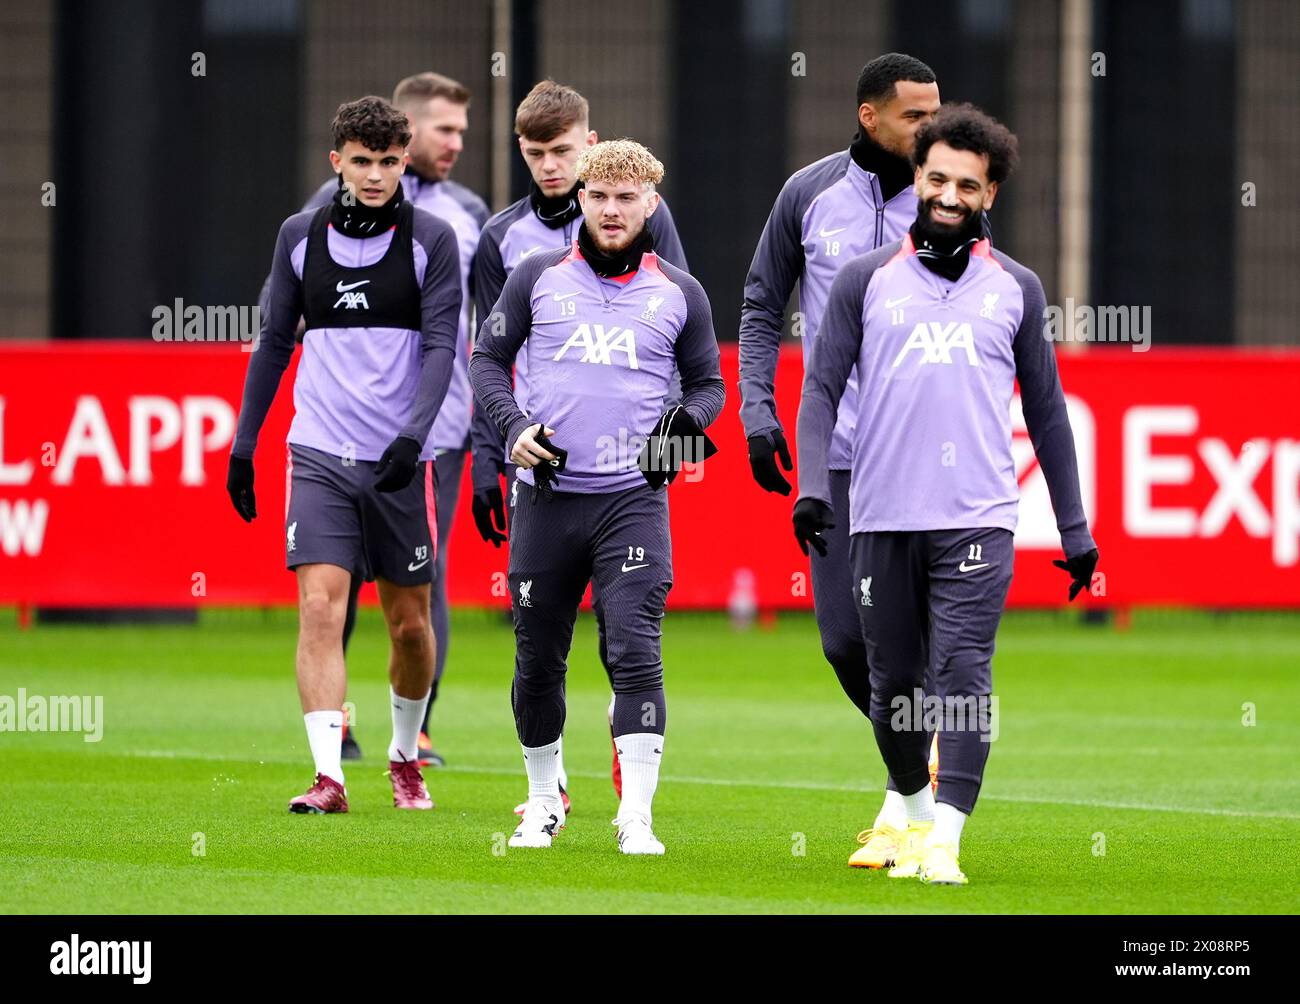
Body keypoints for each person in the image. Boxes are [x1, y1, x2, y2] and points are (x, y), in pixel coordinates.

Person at [794, 103, 1099, 884]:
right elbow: (822, 390)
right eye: (937, 178)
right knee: (892, 685)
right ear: (919, 178)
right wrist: (811, 486)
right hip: (882, 514)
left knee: (963, 673)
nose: (951, 194)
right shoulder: (865, 281)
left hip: (979, 519)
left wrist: (1074, 530)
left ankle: (947, 844)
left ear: (989, 194)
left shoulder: (1019, 290)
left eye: (969, 183)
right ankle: (917, 818)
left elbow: (1048, 414)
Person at [470, 139, 724, 854]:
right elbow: (487, 359)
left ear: (651, 205)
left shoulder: (681, 291)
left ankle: (635, 815)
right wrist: (513, 427)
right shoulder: (533, 276)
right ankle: (544, 800)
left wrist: (688, 425)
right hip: (546, 498)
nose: (612, 210)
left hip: (632, 502)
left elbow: (709, 387)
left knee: (637, 651)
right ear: (580, 197)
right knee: (537, 658)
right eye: (599, 195)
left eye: (627, 198)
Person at [227, 96, 462, 813]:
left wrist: (412, 437)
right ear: (337, 162)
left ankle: (403, 756)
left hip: (399, 461)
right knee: (320, 608)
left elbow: (442, 348)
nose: (375, 174)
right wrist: (245, 444)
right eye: (361, 161)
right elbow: (273, 342)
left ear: (402, 162)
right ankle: (329, 777)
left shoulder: (433, 240)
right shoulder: (300, 236)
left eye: (389, 162)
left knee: (410, 627)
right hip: (319, 453)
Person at [738, 53, 943, 868]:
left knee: (903, 642)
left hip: (923, 454)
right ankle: (915, 758)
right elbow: (761, 301)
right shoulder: (807, 194)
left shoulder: (948, 198)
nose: (932, 129)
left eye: (937, 113)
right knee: (842, 643)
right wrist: (757, 408)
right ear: (869, 116)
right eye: (915, 116)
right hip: (837, 453)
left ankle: (906, 804)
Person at [292, 73, 489, 767]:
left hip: (440, 430)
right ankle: (336, 723)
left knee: (422, 587)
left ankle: (418, 729)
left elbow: (480, 324)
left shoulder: (469, 214)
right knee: (331, 582)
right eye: (445, 129)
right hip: (343, 433)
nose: (456, 143)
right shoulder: (326, 210)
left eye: (463, 131)